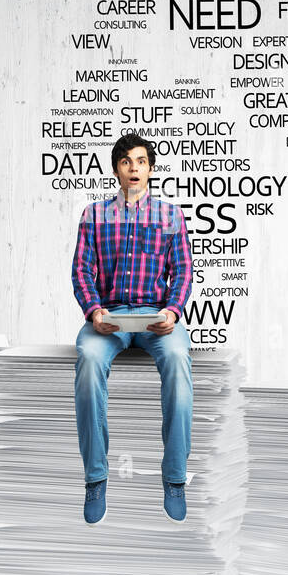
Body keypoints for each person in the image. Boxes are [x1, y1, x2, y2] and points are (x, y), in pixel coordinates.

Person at [71, 133, 194, 525]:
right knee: (89, 359)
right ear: (116, 170)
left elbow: (184, 272)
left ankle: (174, 477)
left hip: (157, 317)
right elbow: (80, 270)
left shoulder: (170, 216)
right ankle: (96, 476)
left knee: (177, 358)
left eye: (140, 161)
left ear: (150, 169)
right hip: (109, 317)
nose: (134, 168)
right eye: (126, 162)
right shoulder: (93, 215)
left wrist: (173, 312)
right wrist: (93, 312)